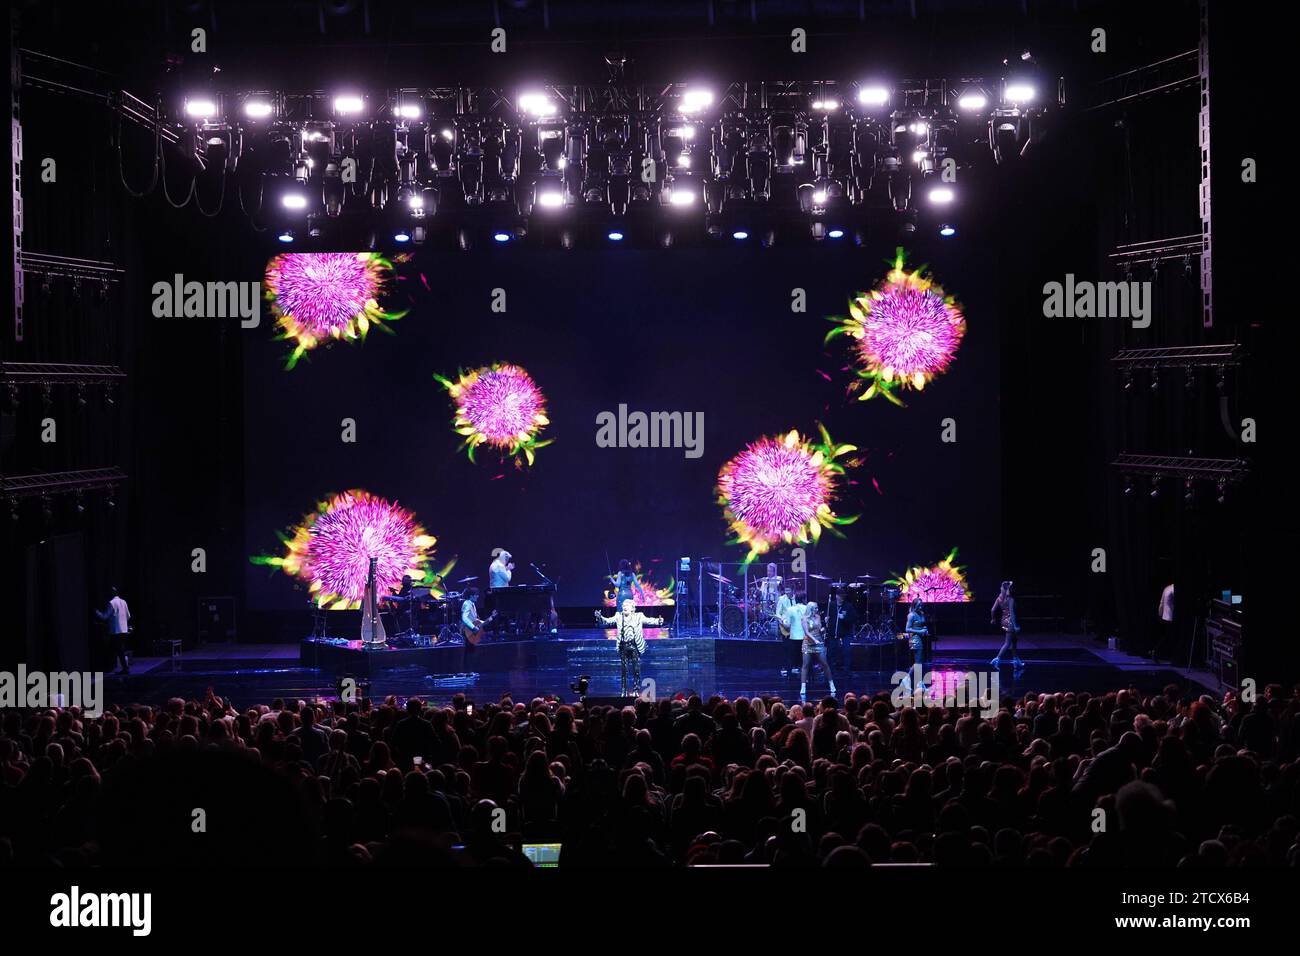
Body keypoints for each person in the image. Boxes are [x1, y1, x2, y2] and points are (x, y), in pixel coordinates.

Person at [595, 599, 664, 697]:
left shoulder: (638, 616)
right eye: (623, 605)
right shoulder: (619, 616)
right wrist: (600, 617)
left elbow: (649, 620)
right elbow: (608, 621)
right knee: (624, 670)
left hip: (635, 645)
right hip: (623, 646)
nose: (624, 607)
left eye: (626, 605)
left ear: (632, 608)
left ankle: (636, 689)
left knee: (636, 669)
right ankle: (624, 690)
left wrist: (658, 621)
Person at [801, 602, 836, 700]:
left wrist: (824, 627)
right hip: (808, 643)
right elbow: (807, 632)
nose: (817, 609)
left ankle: (831, 684)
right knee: (805, 665)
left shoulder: (818, 617)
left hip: (819, 643)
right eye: (815, 608)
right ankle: (803, 686)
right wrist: (814, 639)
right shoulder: (804, 618)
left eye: (817, 608)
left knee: (825, 664)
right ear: (810, 609)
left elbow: (820, 630)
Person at [95, 586, 131, 675]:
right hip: (124, 630)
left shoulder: (111, 603)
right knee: (120, 650)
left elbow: (105, 617)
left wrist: (97, 612)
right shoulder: (124, 602)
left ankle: (122, 668)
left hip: (116, 631)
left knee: (117, 650)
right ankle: (124, 668)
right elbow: (128, 616)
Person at [990, 580, 1024, 672]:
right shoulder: (1010, 599)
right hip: (1010, 622)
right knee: (1008, 643)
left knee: (1014, 641)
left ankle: (1016, 660)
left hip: (1004, 621)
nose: (1000, 588)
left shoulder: (999, 598)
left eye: (1001, 587)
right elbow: (1012, 614)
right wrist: (1015, 626)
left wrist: (993, 619)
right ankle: (997, 659)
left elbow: (992, 610)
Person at [783, 592, 810, 688]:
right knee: (805, 659)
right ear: (804, 599)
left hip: (794, 637)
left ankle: (789, 675)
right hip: (805, 637)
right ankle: (807, 677)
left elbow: (787, 625)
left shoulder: (790, 609)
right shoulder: (807, 609)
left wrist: (783, 621)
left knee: (791, 657)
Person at [825, 590, 856, 671]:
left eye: (843, 596)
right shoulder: (831, 605)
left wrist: (844, 618)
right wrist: (825, 619)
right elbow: (827, 616)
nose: (842, 598)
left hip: (846, 634)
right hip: (833, 634)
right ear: (836, 596)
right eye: (840, 596)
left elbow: (853, 620)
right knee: (831, 653)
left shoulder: (848, 606)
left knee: (847, 652)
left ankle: (846, 671)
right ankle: (831, 671)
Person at [905, 597, 928, 688]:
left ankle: (907, 680)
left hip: (921, 638)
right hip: (914, 638)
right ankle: (918, 682)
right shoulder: (911, 615)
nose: (920, 607)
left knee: (919, 662)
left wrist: (925, 629)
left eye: (921, 606)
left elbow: (922, 624)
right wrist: (920, 631)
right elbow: (907, 629)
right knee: (918, 662)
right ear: (914, 606)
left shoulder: (921, 613)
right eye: (919, 606)